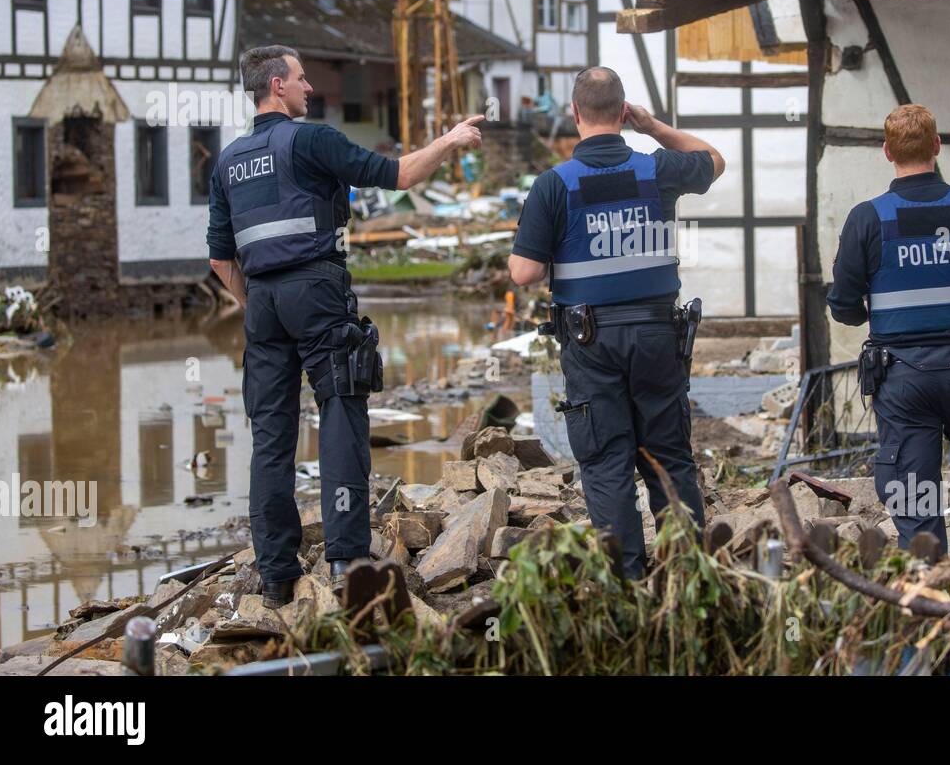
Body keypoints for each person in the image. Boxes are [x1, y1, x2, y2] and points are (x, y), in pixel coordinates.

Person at [207, 44, 482, 608]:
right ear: (277, 85)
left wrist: (256, 303)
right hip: (317, 290)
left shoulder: (228, 162)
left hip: (261, 303)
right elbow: (399, 174)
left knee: (272, 437)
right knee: (340, 414)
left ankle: (277, 575)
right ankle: (345, 561)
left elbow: (218, 260)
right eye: (303, 79)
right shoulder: (312, 141)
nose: (311, 88)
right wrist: (450, 140)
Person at [508, 67, 725, 579]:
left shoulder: (553, 184)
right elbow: (714, 160)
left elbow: (524, 272)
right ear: (624, 113)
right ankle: (685, 576)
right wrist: (653, 128)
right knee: (668, 455)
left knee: (607, 461)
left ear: (575, 114)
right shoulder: (658, 169)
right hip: (657, 336)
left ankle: (626, 580)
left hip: (591, 340)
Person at [827, 103, 950, 582]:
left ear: (886, 152)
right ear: (937, 146)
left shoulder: (866, 219)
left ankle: (926, 592)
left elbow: (844, 308)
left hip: (902, 377)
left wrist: (892, 310)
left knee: (914, 488)